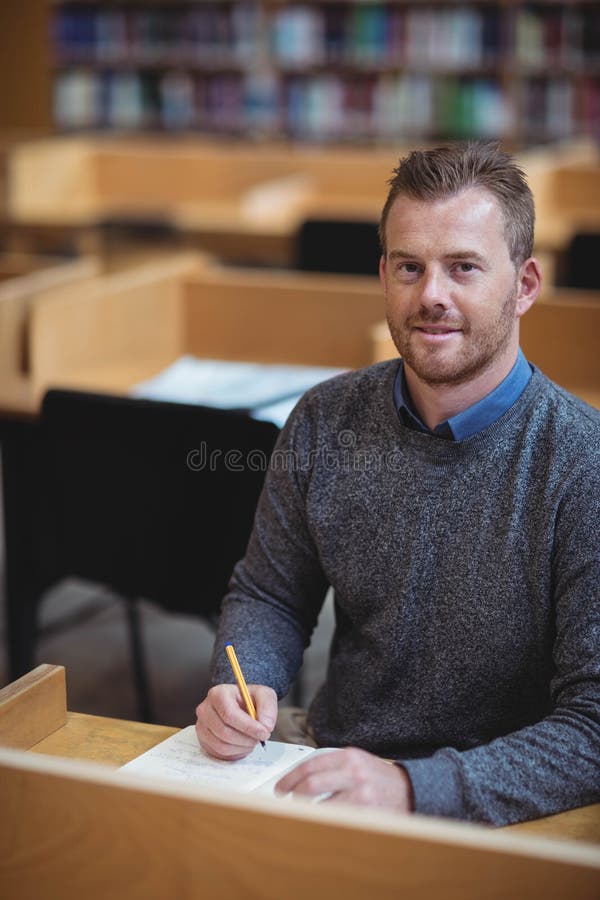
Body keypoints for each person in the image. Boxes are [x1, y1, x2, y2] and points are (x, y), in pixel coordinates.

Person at [195, 142, 600, 825]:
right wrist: (244, 681)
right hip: (334, 771)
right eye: (409, 267)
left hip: (507, 808)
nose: (431, 296)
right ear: (384, 274)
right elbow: (270, 594)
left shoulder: (582, 464)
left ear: (525, 285)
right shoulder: (325, 418)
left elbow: (594, 728)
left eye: (464, 268)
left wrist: (413, 790)